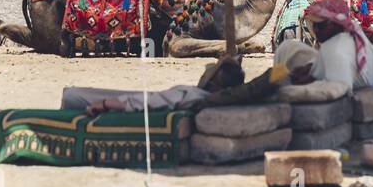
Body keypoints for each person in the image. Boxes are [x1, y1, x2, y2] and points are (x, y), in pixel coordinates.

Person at [61, 55, 288, 115]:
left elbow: (151, 102)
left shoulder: (195, 98)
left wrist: (105, 103)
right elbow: (252, 88)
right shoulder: (200, 95)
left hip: (135, 103)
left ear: (216, 79)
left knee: (73, 95)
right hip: (149, 96)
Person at [274, 0, 373, 92]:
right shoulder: (354, 38)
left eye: (320, 26)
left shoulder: (334, 50)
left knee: (285, 54)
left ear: (336, 25)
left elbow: (337, 86)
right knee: (288, 47)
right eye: (313, 25)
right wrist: (312, 68)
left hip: (352, 91)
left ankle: (276, 81)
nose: (315, 30)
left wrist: (307, 81)